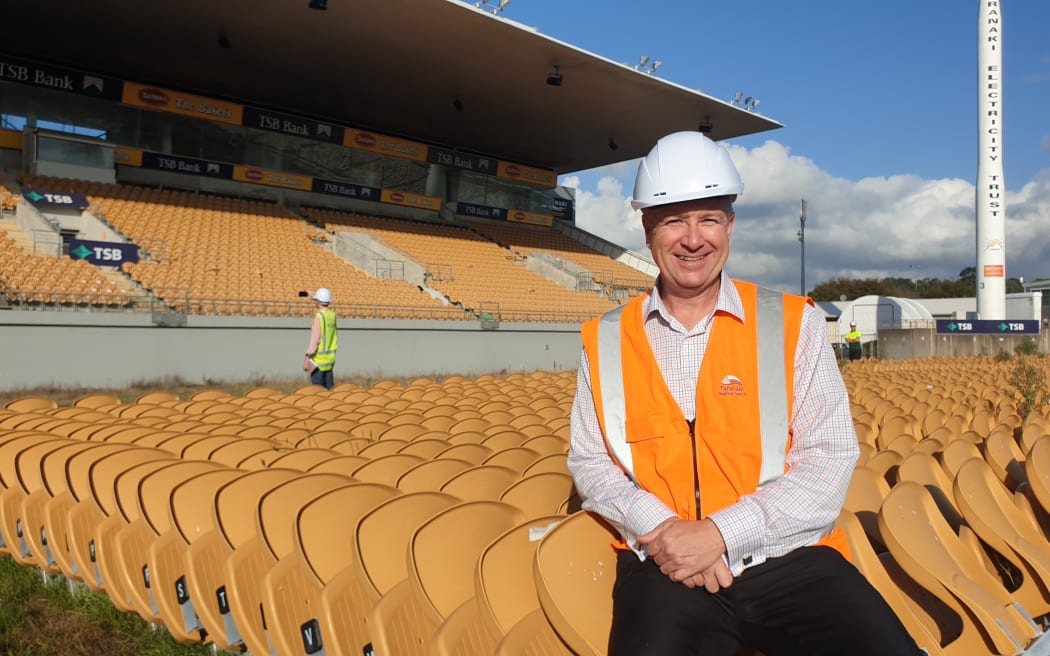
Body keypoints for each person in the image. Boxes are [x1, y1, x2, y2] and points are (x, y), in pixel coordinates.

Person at [567, 131, 922, 655]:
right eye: (673, 220)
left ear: (729, 225)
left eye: (708, 218)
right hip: (663, 569)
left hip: (788, 561)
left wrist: (719, 533)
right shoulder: (604, 338)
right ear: (647, 231)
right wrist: (663, 530)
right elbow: (592, 461)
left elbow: (828, 461)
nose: (693, 239)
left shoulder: (793, 323)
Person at [303, 287, 337, 390]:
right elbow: (323, 306)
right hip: (330, 362)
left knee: (318, 395)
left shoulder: (319, 318)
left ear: (318, 301)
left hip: (318, 364)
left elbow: (315, 340)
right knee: (330, 396)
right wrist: (314, 296)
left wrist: (307, 357)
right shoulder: (332, 315)